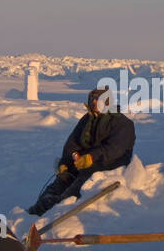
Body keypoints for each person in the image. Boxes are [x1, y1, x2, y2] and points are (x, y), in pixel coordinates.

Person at [28, 87, 135, 216]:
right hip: (84, 162)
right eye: (92, 99)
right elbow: (73, 142)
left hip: (107, 165)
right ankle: (35, 212)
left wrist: (91, 157)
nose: (94, 102)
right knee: (62, 180)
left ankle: (54, 212)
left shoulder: (122, 123)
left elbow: (115, 149)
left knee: (74, 189)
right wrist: (66, 161)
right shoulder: (88, 119)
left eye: (97, 99)